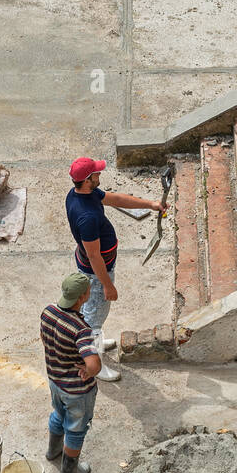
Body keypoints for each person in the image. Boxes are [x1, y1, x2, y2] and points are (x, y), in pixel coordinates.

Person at [65, 156, 166, 382]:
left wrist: (150, 204)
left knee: (93, 313)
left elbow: (116, 198)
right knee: (93, 319)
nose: (100, 175)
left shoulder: (80, 194)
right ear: (88, 179)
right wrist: (107, 285)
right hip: (96, 272)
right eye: (97, 174)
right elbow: (94, 256)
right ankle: (94, 365)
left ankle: (96, 340)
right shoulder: (87, 217)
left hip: (93, 266)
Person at [41, 272, 101, 473]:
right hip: (77, 391)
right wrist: (88, 370)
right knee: (76, 428)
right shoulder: (81, 330)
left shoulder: (48, 312)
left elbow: (45, 339)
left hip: (55, 380)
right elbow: (94, 364)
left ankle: (52, 452)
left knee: (58, 414)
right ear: (82, 297)